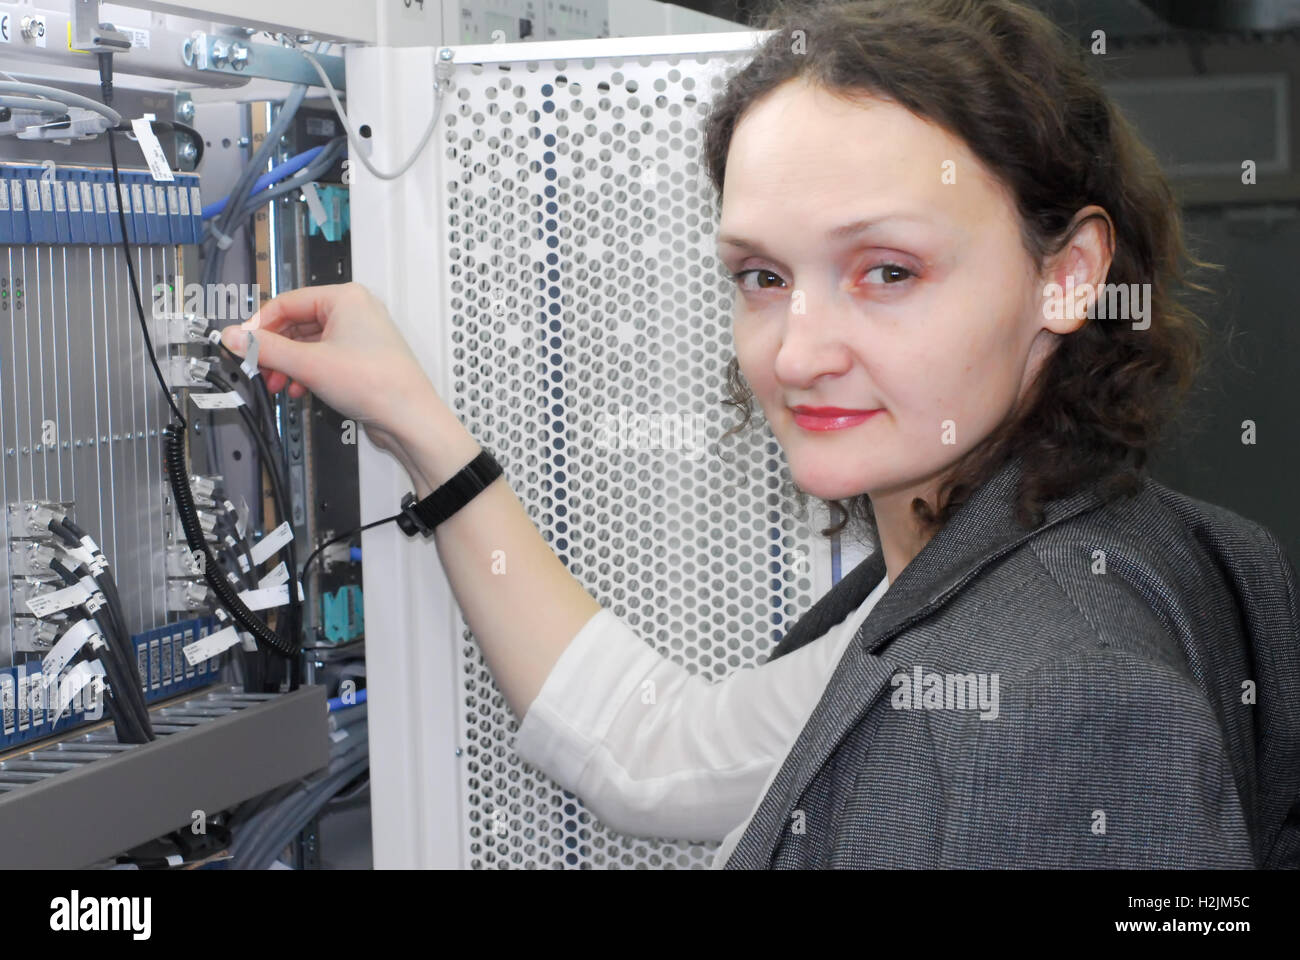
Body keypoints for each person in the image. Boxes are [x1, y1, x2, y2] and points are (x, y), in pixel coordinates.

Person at [220, 0, 1300, 868]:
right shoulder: (1042, 555)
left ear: (1065, 278)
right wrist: (418, 425)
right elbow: (658, 748)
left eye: (887, 272)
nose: (795, 354)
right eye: (761, 278)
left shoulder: (1047, 697)